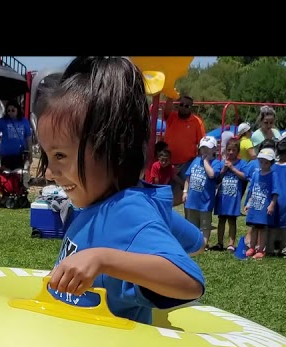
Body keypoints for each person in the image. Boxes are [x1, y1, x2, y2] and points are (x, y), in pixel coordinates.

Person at [34, 56, 204, 325]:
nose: (48, 172)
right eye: (47, 156)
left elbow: (189, 282)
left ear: (112, 148)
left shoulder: (126, 210)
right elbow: (196, 242)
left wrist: (103, 259)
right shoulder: (107, 205)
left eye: (60, 156)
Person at [161, 94, 205, 204]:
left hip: (187, 163)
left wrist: (200, 162)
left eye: (186, 106)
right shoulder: (172, 116)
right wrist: (170, 95)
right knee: (164, 191)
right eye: (181, 104)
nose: (183, 107)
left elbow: (202, 143)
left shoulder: (197, 122)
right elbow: (166, 111)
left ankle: (189, 217)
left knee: (189, 192)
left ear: (191, 108)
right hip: (168, 162)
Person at [0, 100, 32, 171]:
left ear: (18, 110)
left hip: (19, 154)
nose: (10, 112)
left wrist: (30, 152)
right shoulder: (3, 121)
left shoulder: (24, 121)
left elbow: (28, 138)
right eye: (8, 110)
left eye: (13, 110)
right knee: (6, 173)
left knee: (18, 174)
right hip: (5, 154)